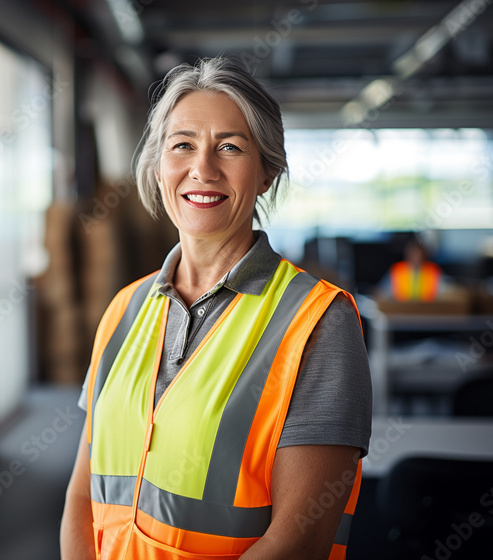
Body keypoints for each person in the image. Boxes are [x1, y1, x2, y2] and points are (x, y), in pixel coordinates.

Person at [60, 57, 372, 559]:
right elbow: (82, 496)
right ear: (159, 166)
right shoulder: (124, 310)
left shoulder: (318, 324)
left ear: (267, 172)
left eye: (229, 147)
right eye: (182, 145)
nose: (202, 169)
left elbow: (298, 541)